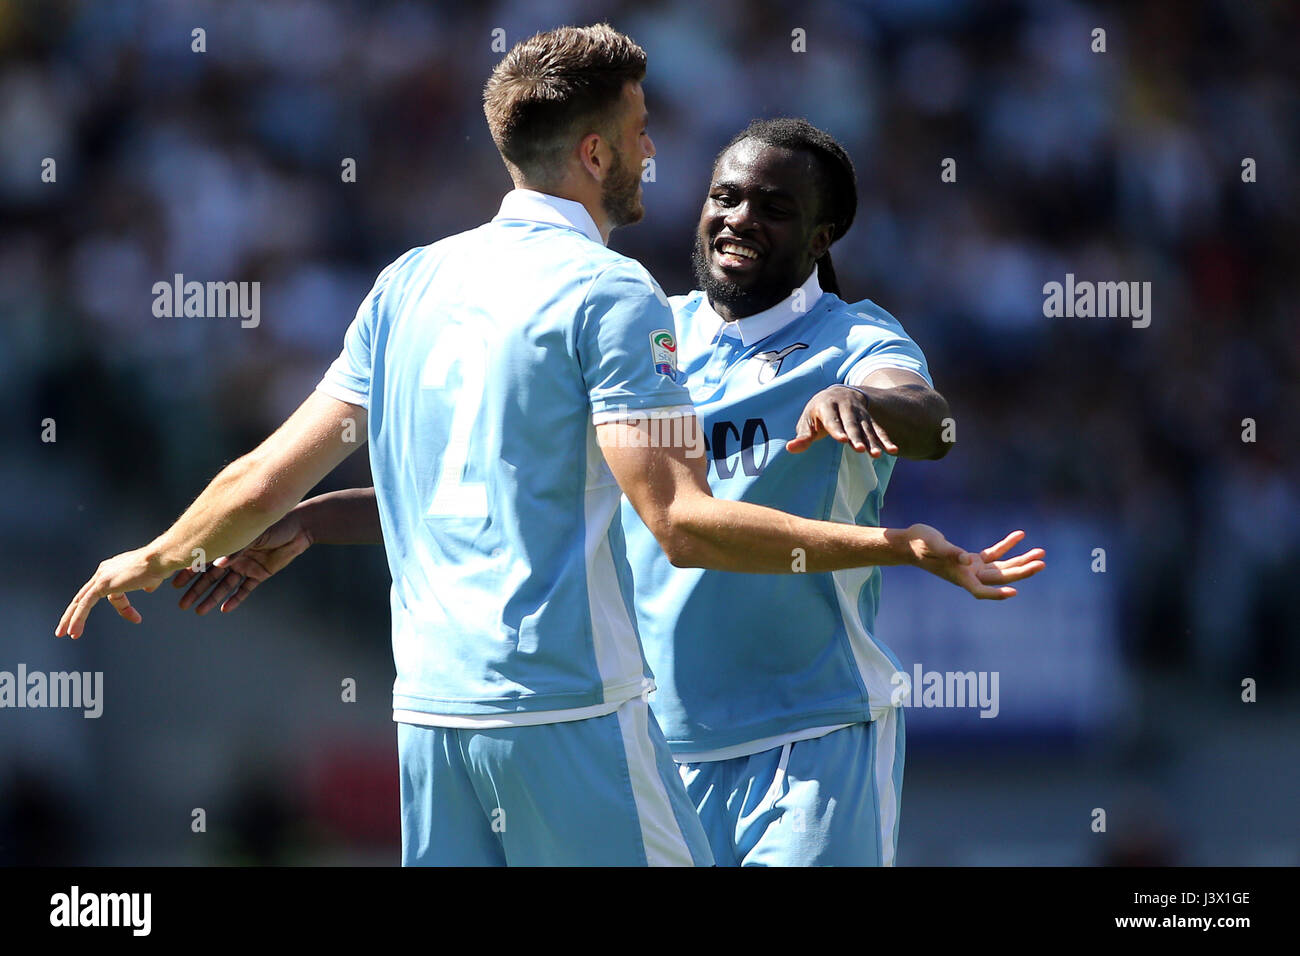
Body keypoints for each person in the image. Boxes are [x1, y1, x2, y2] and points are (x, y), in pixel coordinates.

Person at [167, 113, 1046, 866]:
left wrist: (865, 400)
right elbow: (526, 496)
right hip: (650, 741)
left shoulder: (855, 339)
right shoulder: (642, 327)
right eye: (725, 197)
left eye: (775, 209)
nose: (739, 219)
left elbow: (930, 419)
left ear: (821, 239)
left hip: (811, 734)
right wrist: (316, 521)